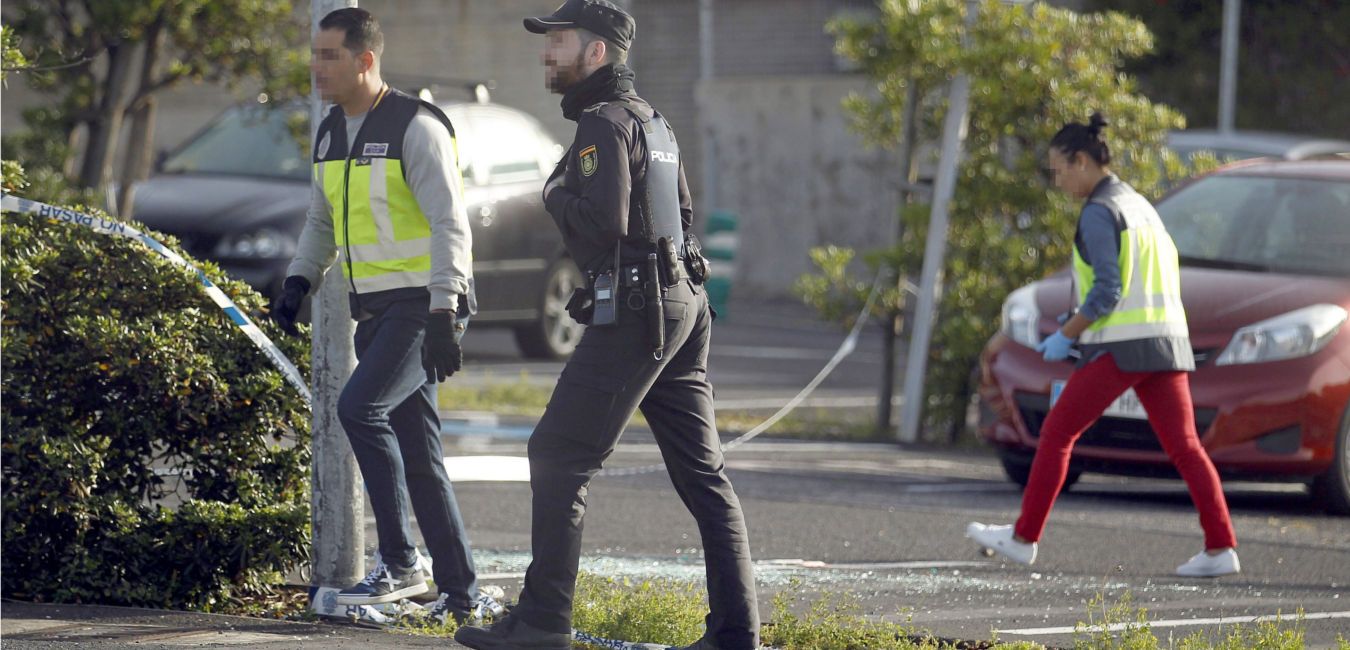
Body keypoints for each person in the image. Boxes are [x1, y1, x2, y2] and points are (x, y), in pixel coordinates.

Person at [454, 2, 759, 648]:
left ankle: (541, 623)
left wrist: (554, 193)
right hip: (682, 306)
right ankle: (737, 632)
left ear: (597, 54)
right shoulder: (653, 119)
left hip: (643, 312)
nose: (546, 53)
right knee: (705, 476)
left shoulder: (602, 122)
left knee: (558, 454)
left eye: (558, 42)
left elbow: (605, 222)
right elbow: (678, 215)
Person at [270, 7, 499, 624]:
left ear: (365, 60)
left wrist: (445, 312)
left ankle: (400, 564)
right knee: (420, 454)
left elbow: (452, 223)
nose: (316, 68)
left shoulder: (414, 127)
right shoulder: (328, 132)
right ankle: (461, 592)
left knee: (358, 408)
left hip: (421, 305)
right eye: (314, 55)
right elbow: (323, 221)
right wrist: (299, 280)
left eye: (329, 57)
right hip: (372, 311)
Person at [966, 113, 1240, 578]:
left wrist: (1065, 335)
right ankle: (1220, 547)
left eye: (1058, 170)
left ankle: (1022, 538)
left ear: (1081, 162)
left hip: (1122, 344)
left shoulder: (1099, 211)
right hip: (1166, 342)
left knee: (1056, 434)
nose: (1058, 181)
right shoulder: (1139, 205)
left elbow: (1107, 291)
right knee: (1186, 447)